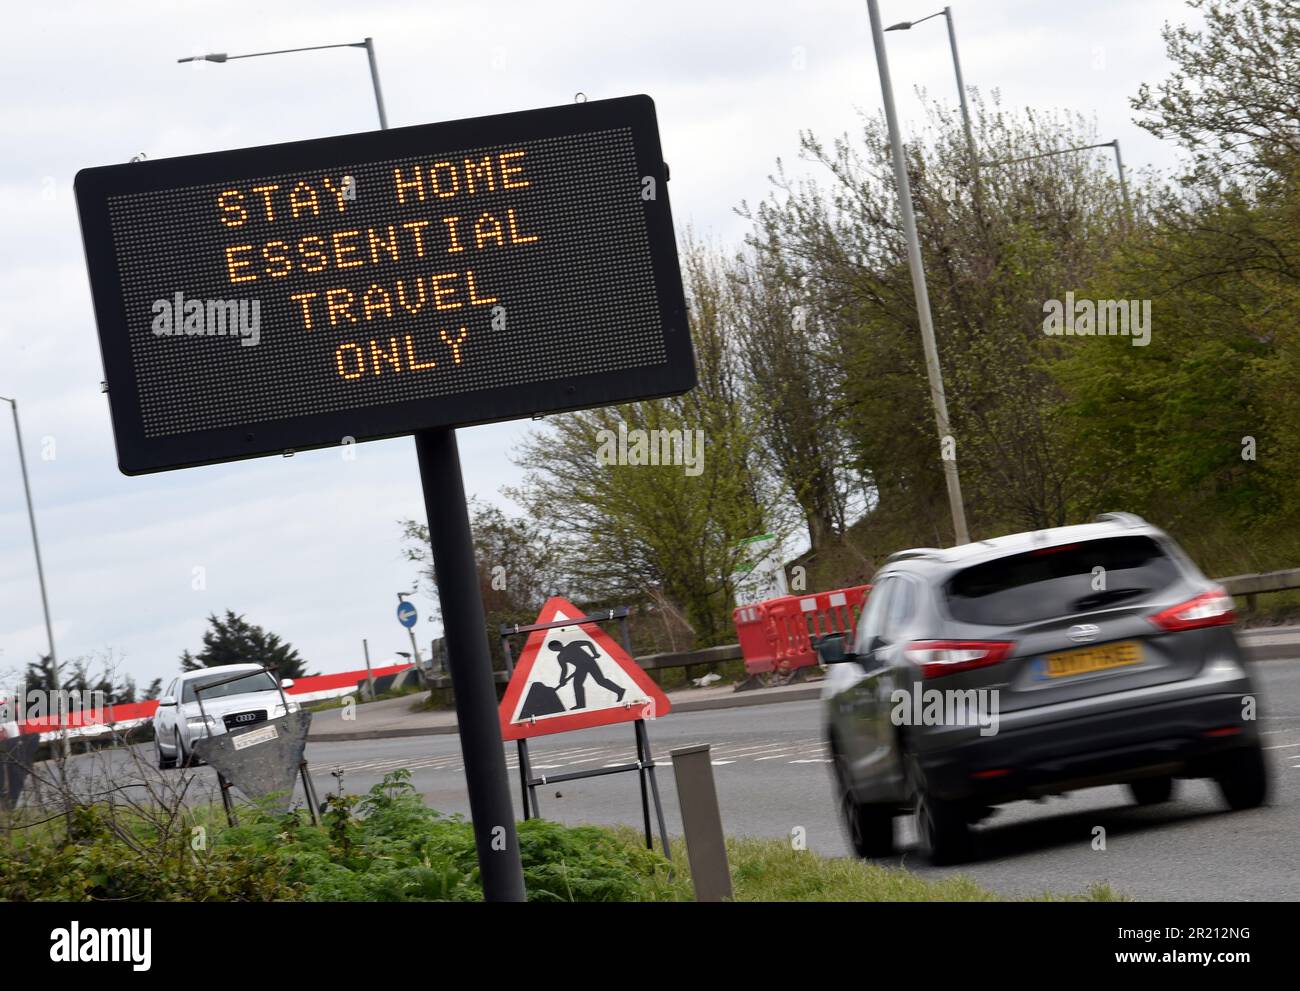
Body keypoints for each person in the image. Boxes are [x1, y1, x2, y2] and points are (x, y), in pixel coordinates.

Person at [550, 639, 624, 710]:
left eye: (555, 646)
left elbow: (588, 643)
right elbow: (564, 669)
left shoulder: (572, 645)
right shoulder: (560, 657)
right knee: (577, 685)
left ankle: (620, 691)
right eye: (553, 649)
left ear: (560, 644)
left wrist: (594, 653)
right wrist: (562, 679)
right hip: (580, 668)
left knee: (600, 681)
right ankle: (580, 704)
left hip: (590, 663)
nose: (555, 649)